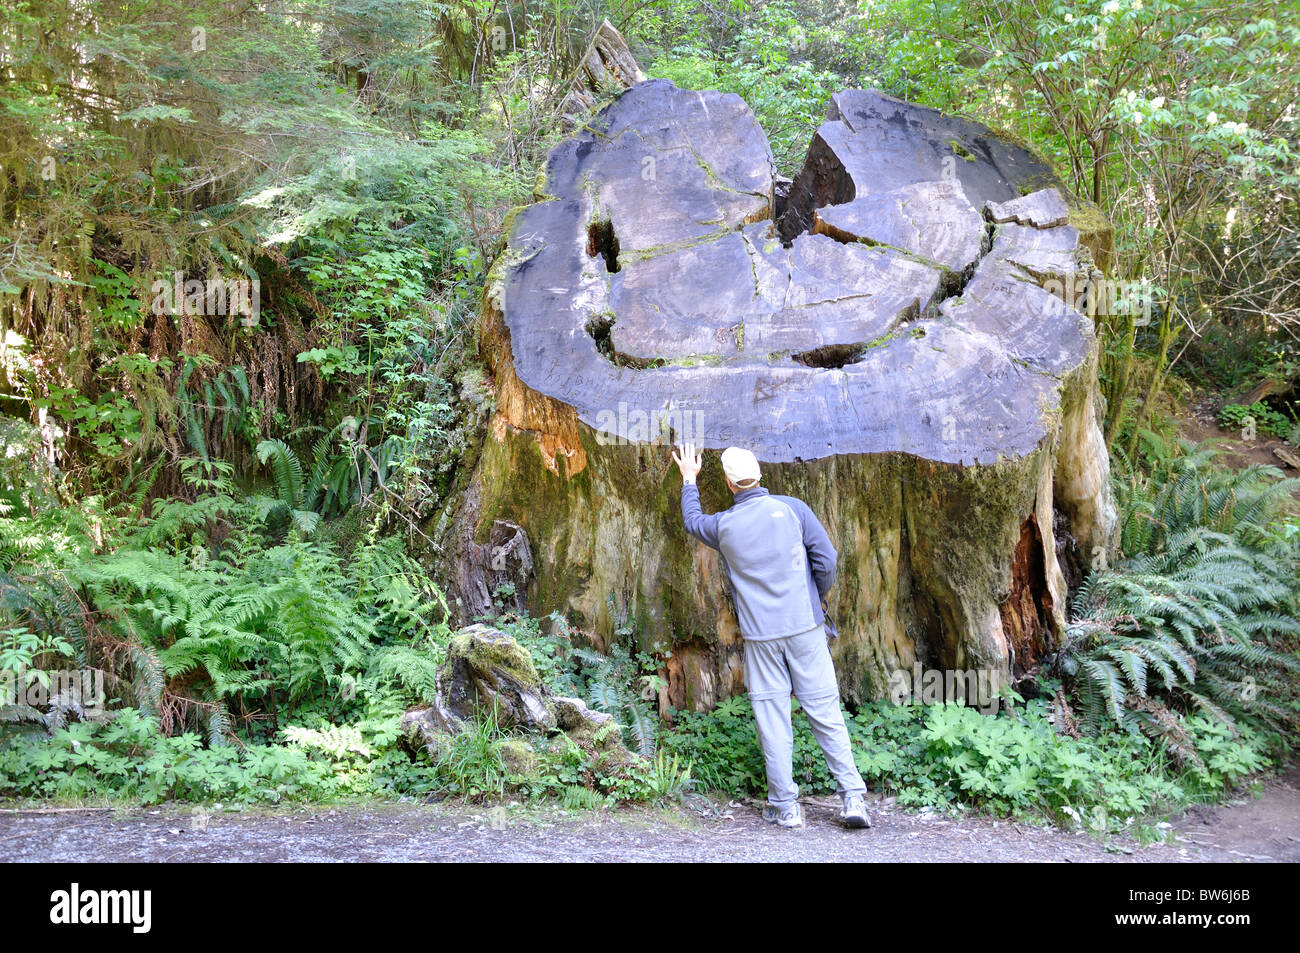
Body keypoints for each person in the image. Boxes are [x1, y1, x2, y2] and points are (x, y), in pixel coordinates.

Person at [671, 442, 871, 830]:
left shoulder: (724, 526)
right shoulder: (793, 509)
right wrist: (815, 595)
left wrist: (689, 480)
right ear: (759, 474)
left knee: (772, 716)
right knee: (825, 712)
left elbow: (692, 521)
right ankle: (853, 798)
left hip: (761, 637)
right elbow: (826, 560)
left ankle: (785, 806)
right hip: (805, 627)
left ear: (729, 484)